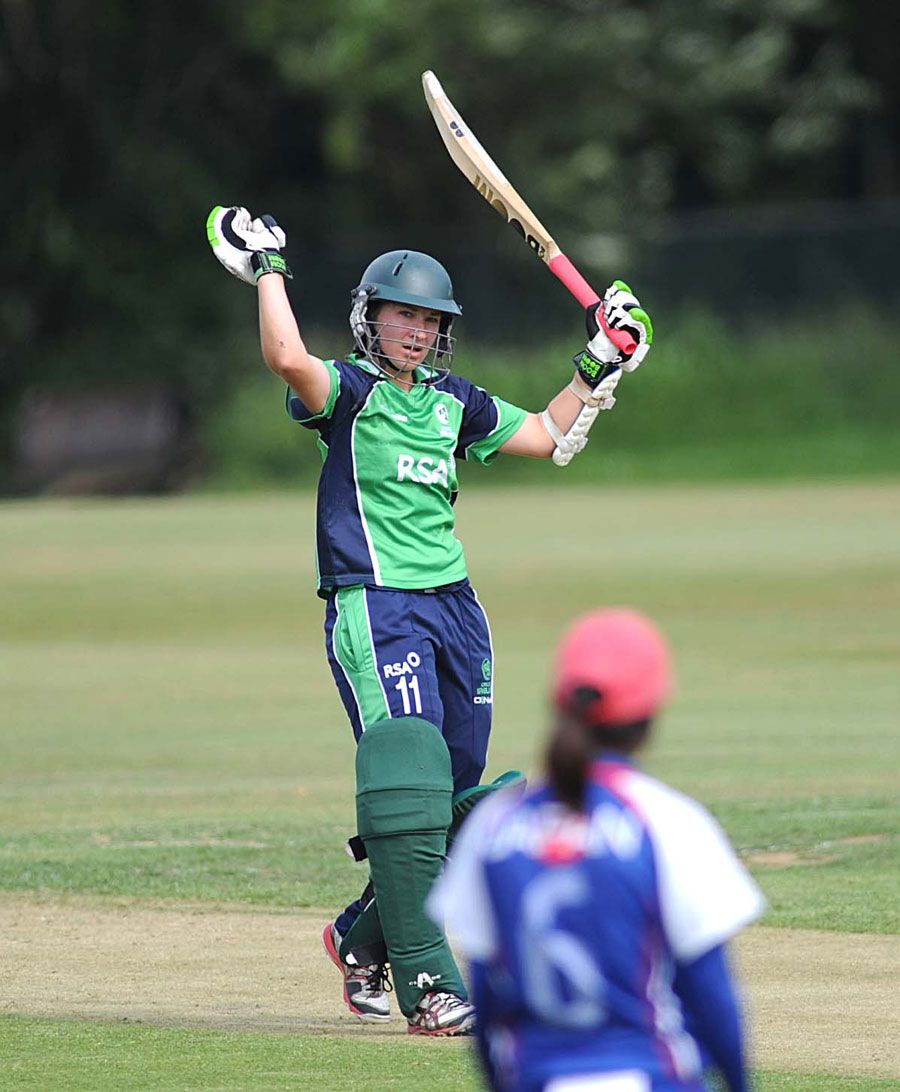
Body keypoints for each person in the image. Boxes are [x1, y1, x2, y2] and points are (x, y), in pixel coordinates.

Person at [206, 205, 654, 1037]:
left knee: (459, 807)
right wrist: (269, 268)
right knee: (411, 789)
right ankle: (429, 983)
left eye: (430, 320)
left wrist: (602, 359)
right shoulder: (346, 393)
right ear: (370, 317)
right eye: (403, 315)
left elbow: (551, 434)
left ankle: (357, 936)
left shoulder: (456, 403)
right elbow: (284, 357)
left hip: (457, 611)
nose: (416, 331)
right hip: (377, 607)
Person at [427, 608, 766, 1088]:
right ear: (651, 713)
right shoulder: (666, 821)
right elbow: (711, 996)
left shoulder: (495, 826)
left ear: (559, 701)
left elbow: (487, 997)